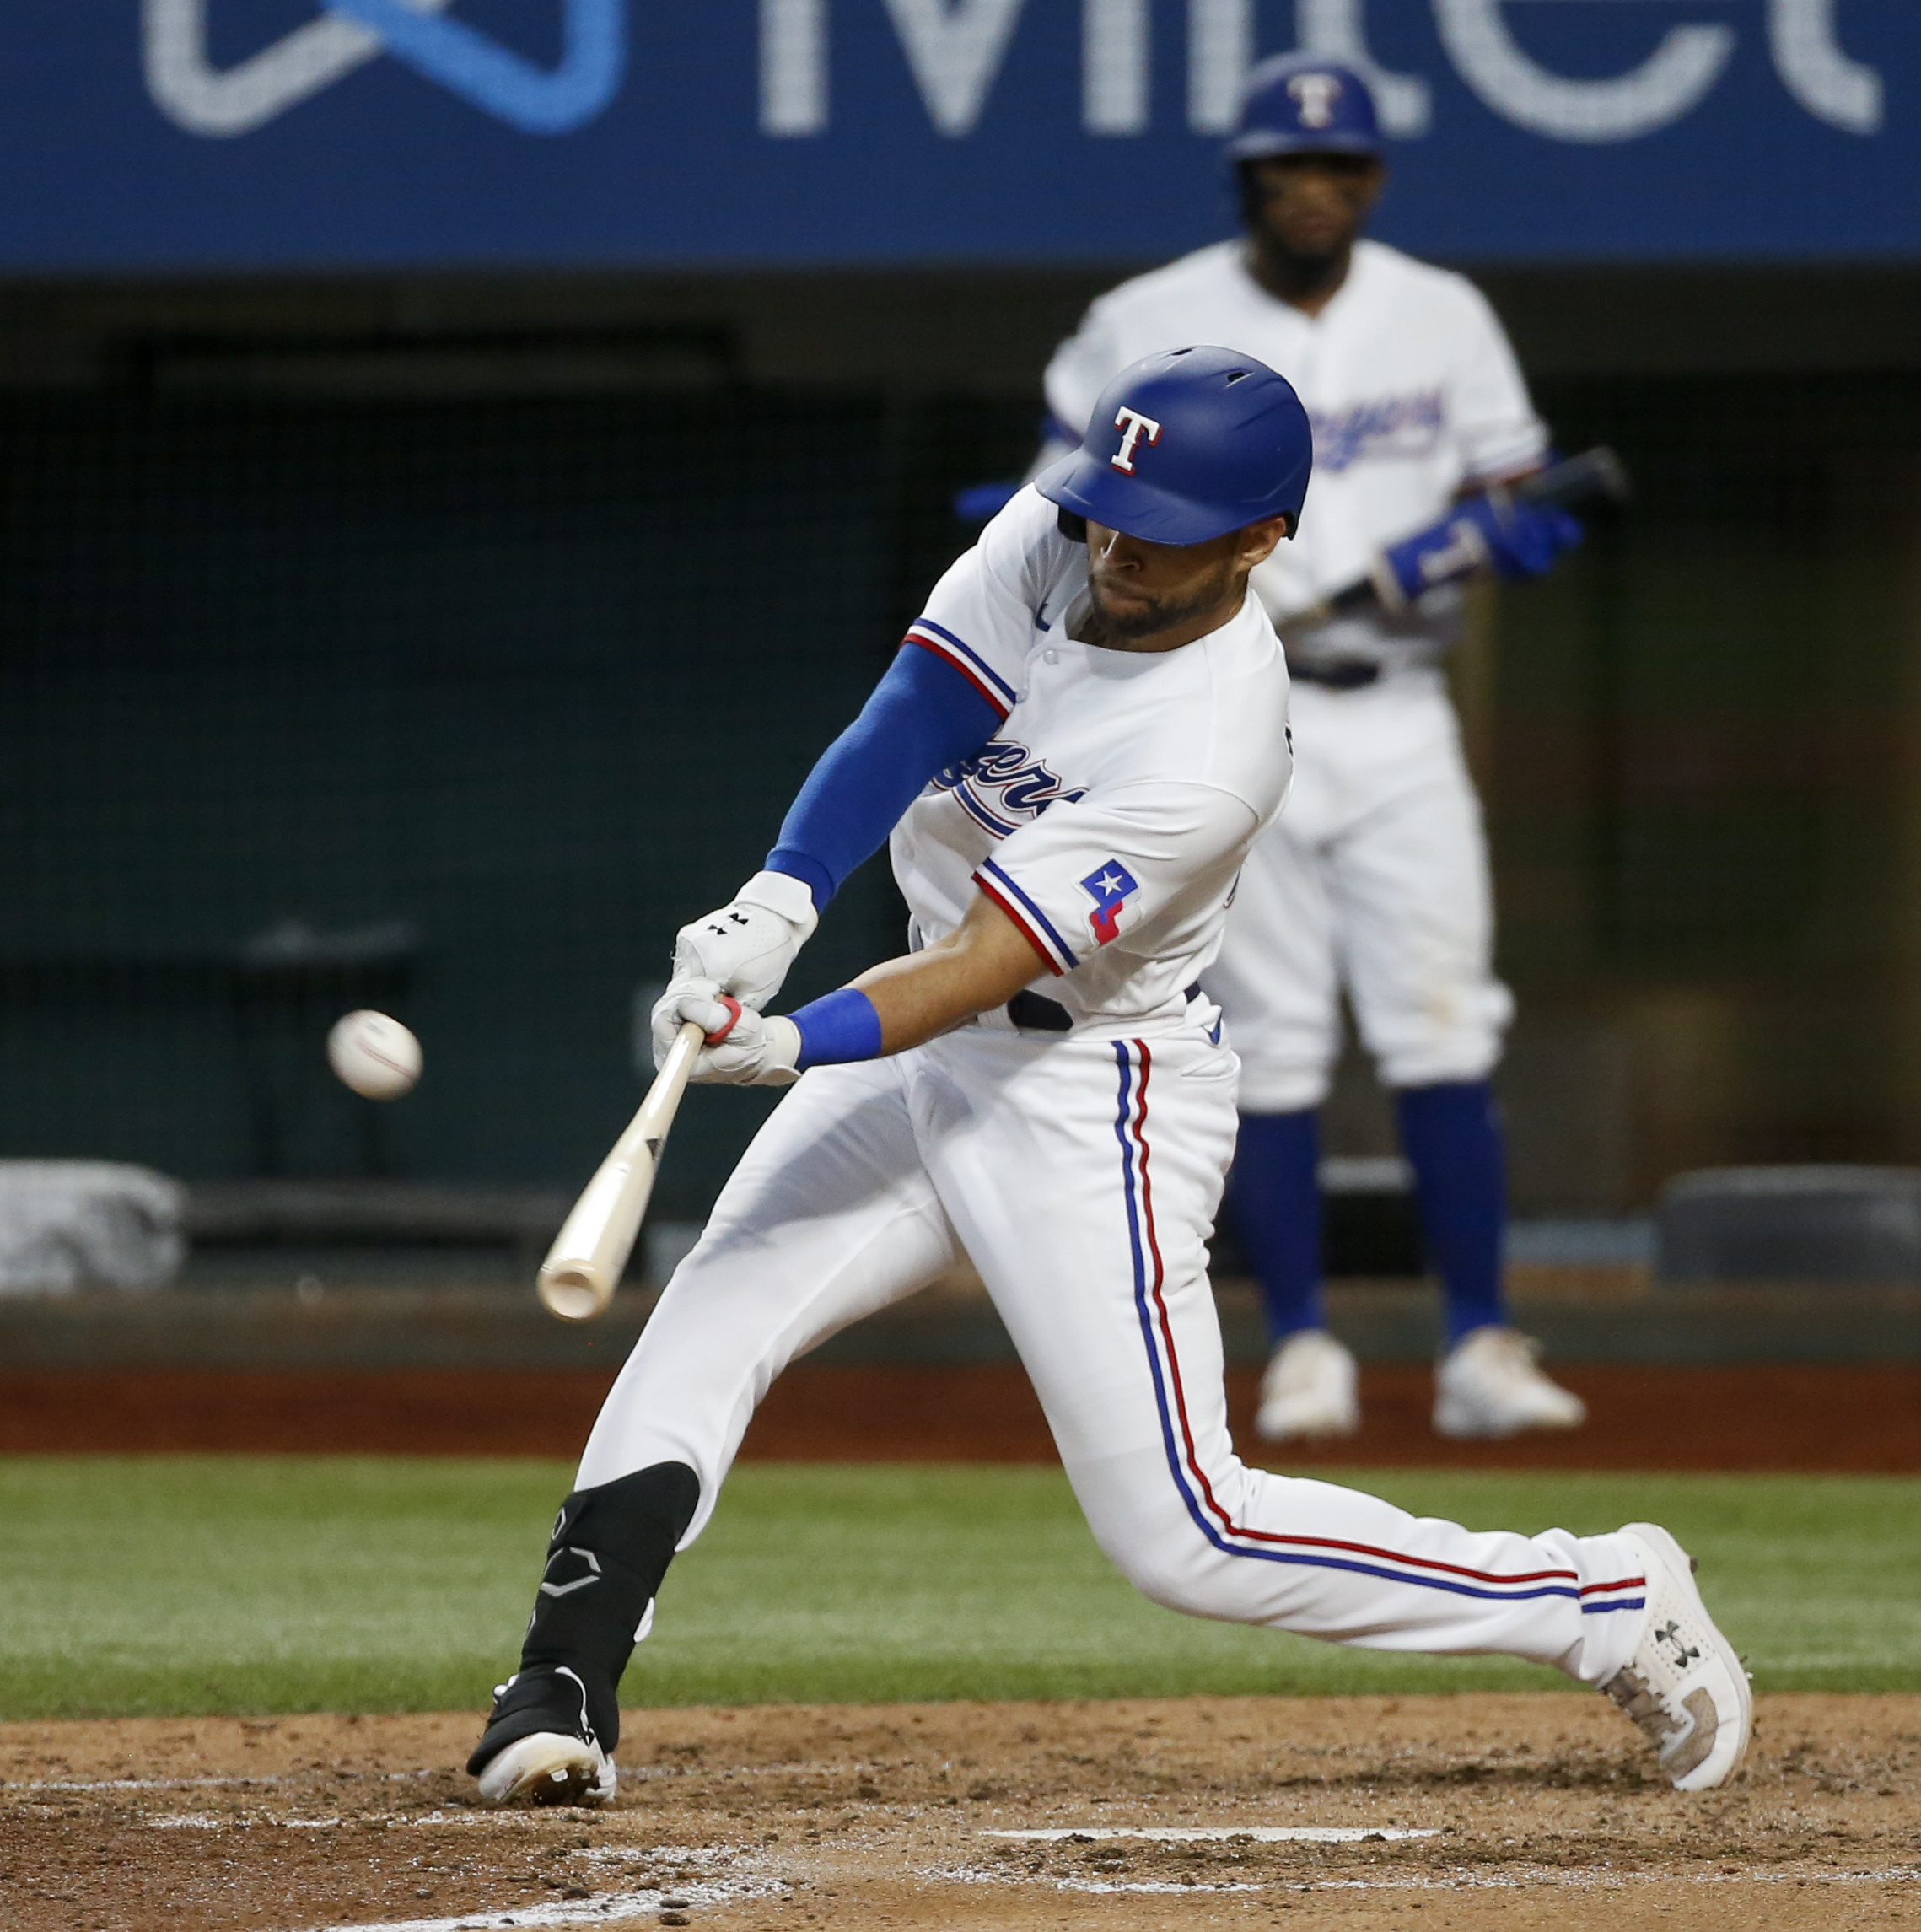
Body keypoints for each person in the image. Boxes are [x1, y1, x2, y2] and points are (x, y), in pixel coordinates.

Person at [465, 348, 1750, 1810]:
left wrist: (791, 1039)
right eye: (1112, 507)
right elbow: (911, 714)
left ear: (1263, 539)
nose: (1122, 544)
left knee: (1186, 1537)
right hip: (918, 1038)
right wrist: (780, 898)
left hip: (1093, 1093)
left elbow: (986, 961)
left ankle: (1600, 1599)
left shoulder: (1211, 749)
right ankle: (558, 1688)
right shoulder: (1065, 526)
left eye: (1171, 523)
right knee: (713, 1309)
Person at [1041, 54, 1588, 1444]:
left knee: (1445, 1020)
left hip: (1401, 705)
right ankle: (1300, 1344)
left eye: (1340, 168)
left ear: (1374, 181)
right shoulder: (1148, 317)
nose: (1316, 189)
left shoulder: (1440, 312)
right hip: (1229, 706)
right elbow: (1055, 492)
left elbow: (1510, 483)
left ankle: (1478, 1342)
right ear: (1248, 179)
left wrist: (1490, 531)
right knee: (1273, 1043)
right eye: (1290, 166)